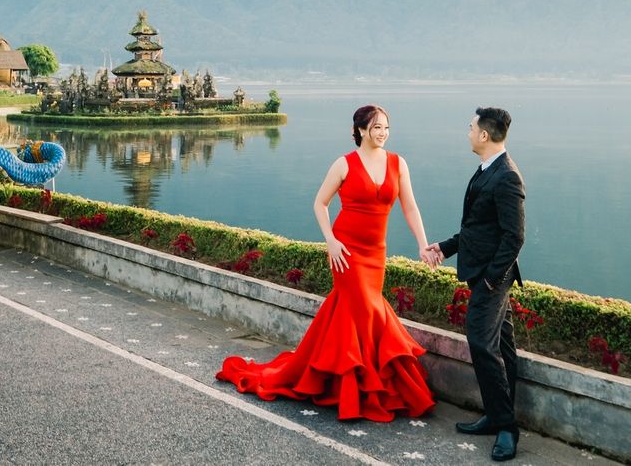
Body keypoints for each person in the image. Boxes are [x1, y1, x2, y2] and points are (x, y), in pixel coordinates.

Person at [216, 104, 438, 422]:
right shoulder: (344, 164)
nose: (383, 133)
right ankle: (357, 388)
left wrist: (422, 244)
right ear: (361, 130)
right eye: (377, 127)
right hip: (345, 250)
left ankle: (347, 382)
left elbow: (410, 208)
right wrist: (330, 241)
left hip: (376, 252)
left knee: (359, 311)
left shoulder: (398, 163)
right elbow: (320, 203)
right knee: (367, 308)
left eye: (387, 127)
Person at [426, 107, 525, 463]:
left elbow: (514, 238)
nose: (467, 132)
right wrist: (445, 247)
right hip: (486, 274)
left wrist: (488, 279)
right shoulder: (487, 169)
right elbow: (478, 229)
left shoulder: (507, 176)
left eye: (470, 127)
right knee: (502, 347)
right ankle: (498, 418)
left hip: (491, 279)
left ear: (485, 135)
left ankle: (506, 428)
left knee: (482, 345)